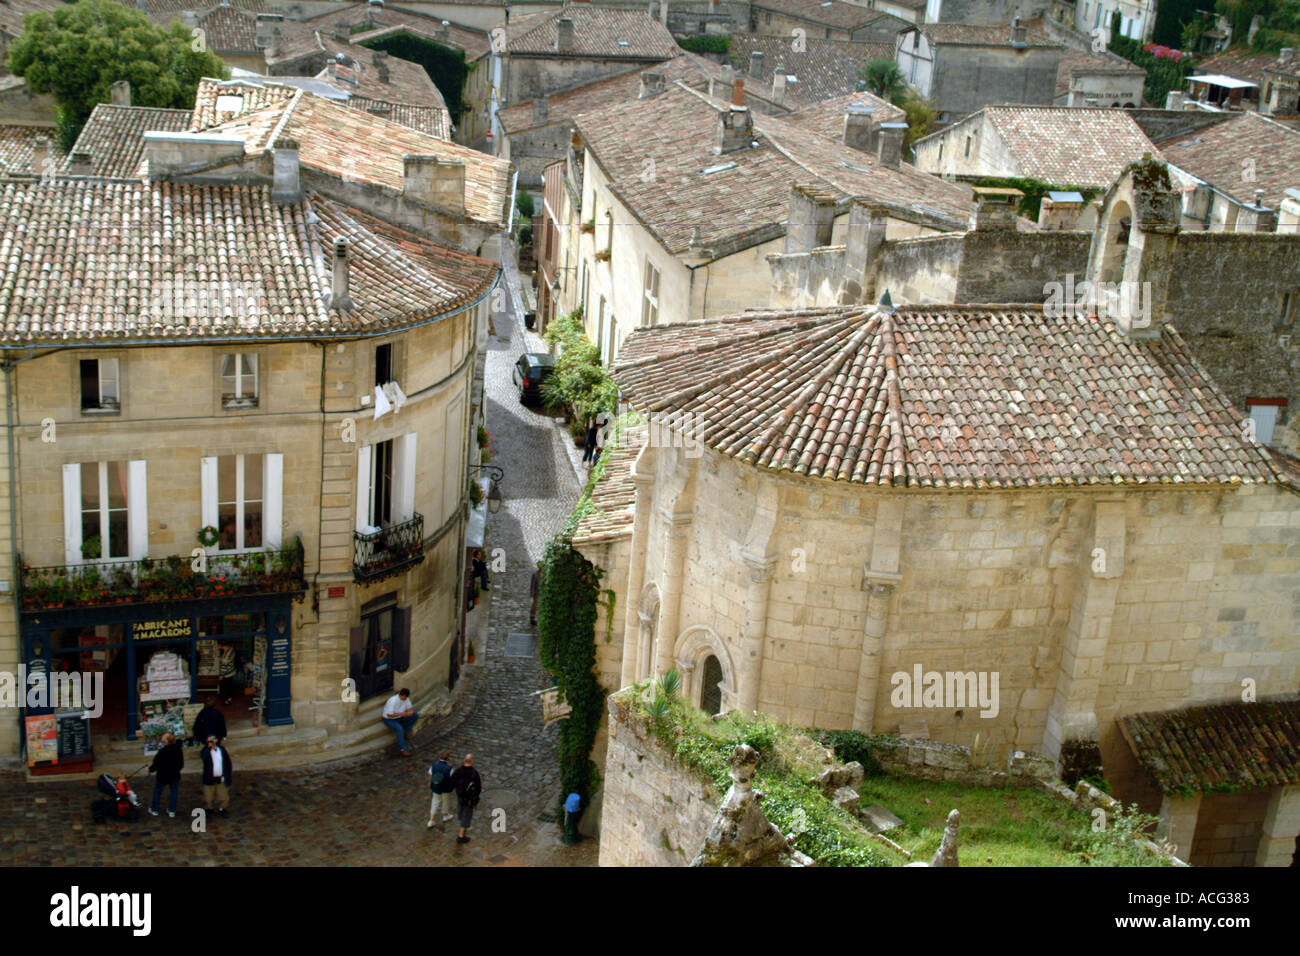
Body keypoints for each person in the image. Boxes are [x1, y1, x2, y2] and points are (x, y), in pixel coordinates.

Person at [147, 732, 184, 818]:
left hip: (163, 776)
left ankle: (154, 809)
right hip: (174, 775)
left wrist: (150, 769)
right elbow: (181, 764)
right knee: (174, 793)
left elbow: (156, 764)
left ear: (166, 741)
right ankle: (172, 810)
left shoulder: (162, 751)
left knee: (158, 791)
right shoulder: (178, 749)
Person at [449, 753, 482, 844]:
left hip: (460, 796)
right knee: (466, 816)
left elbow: (451, 783)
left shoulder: (458, 771)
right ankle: (461, 836)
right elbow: (478, 788)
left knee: (461, 810)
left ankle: (461, 820)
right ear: (472, 761)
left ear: (464, 761)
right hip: (469, 799)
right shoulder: (474, 773)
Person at [200, 735, 232, 817]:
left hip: (220, 777)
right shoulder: (205, 750)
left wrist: (227, 774)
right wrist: (209, 748)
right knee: (208, 796)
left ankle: (222, 808)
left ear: (217, 740)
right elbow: (204, 757)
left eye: (213, 739)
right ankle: (209, 808)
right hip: (209, 778)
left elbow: (227, 763)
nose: (211, 741)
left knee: (223, 795)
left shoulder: (222, 750)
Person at [382, 687, 418, 756]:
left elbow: (409, 708)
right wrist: (404, 714)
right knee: (399, 729)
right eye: (405, 697)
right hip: (389, 719)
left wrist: (410, 712)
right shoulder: (393, 701)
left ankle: (406, 730)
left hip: (399, 717)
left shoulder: (406, 699)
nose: (406, 699)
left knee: (415, 715)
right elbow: (389, 715)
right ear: (402, 695)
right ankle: (403, 749)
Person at [427, 751, 456, 829]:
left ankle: (431, 820)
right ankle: (445, 816)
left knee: (435, 802)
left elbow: (430, 774)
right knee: (445, 801)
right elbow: (452, 779)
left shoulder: (434, 765)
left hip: (436, 787)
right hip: (445, 788)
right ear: (448, 758)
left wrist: (433, 781)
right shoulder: (450, 768)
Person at [529, 561, 542, 626]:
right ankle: (532, 618)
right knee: (534, 606)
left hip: (542, 593)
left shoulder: (544, 574)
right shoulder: (535, 574)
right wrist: (532, 593)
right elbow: (532, 585)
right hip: (536, 593)